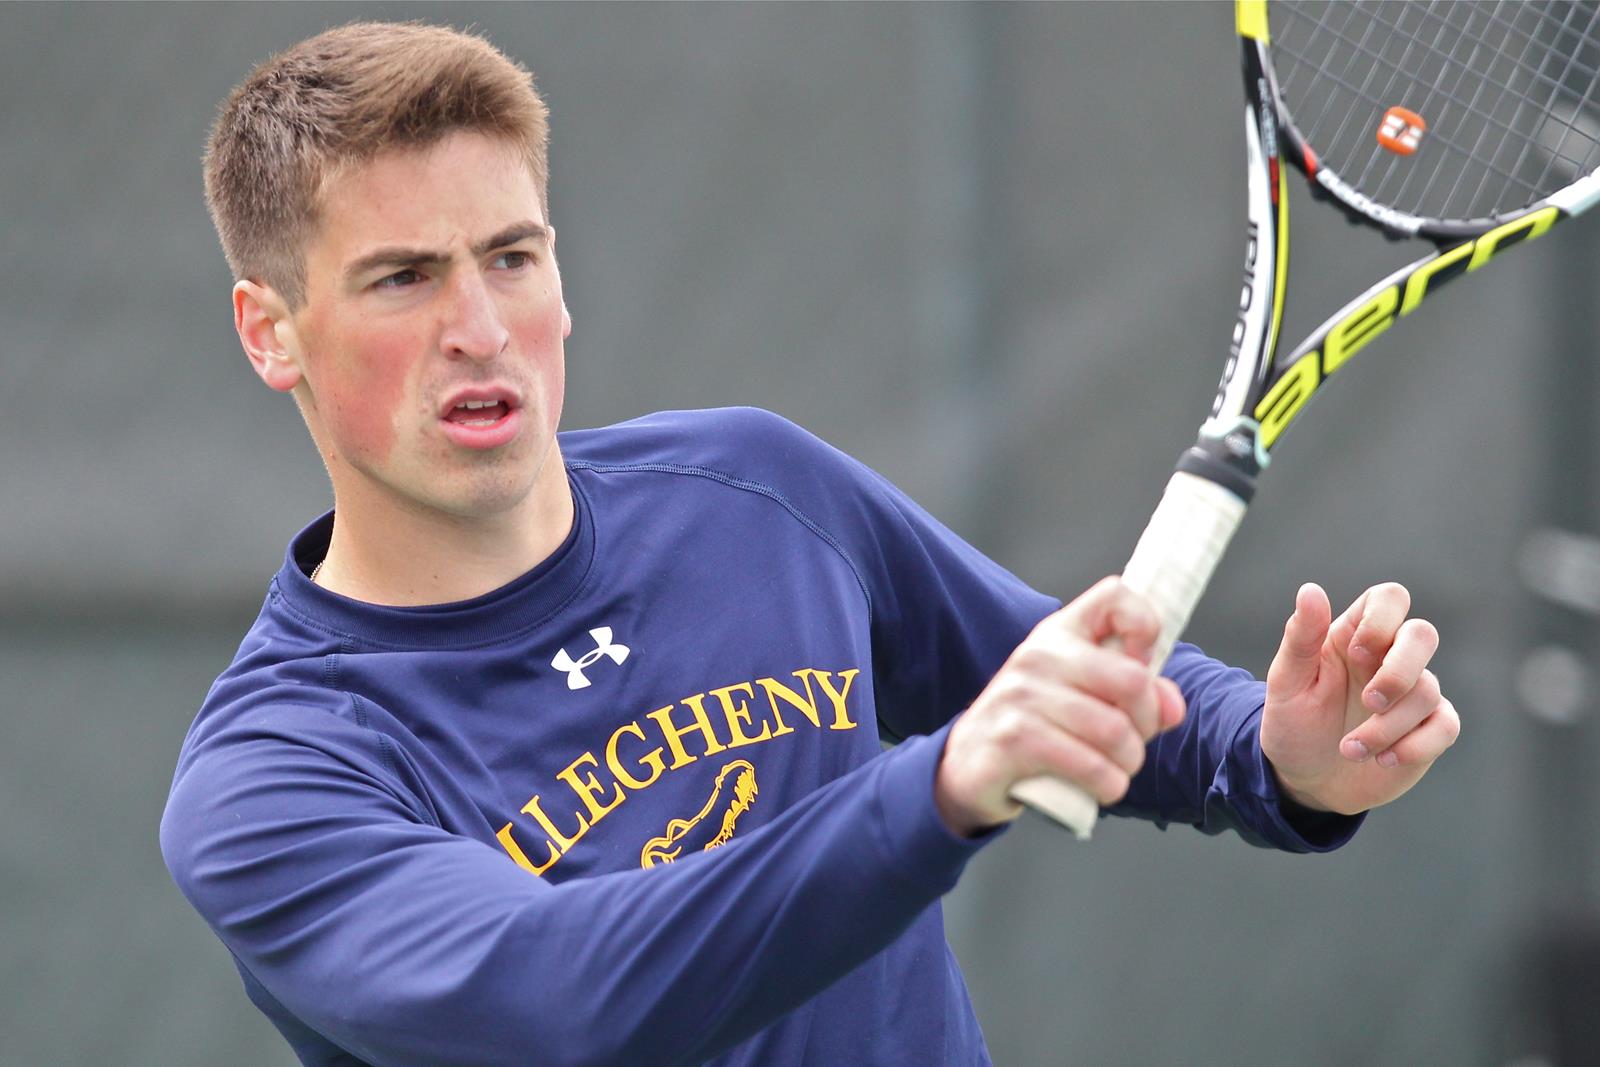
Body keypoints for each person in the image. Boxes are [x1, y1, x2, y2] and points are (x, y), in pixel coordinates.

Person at [159, 21, 1460, 1067]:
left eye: (512, 257)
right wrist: (940, 787)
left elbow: (1085, 693)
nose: (482, 327)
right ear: (270, 330)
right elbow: (569, 1007)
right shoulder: (268, 788)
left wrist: (1279, 755)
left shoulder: (757, 491)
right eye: (404, 277)